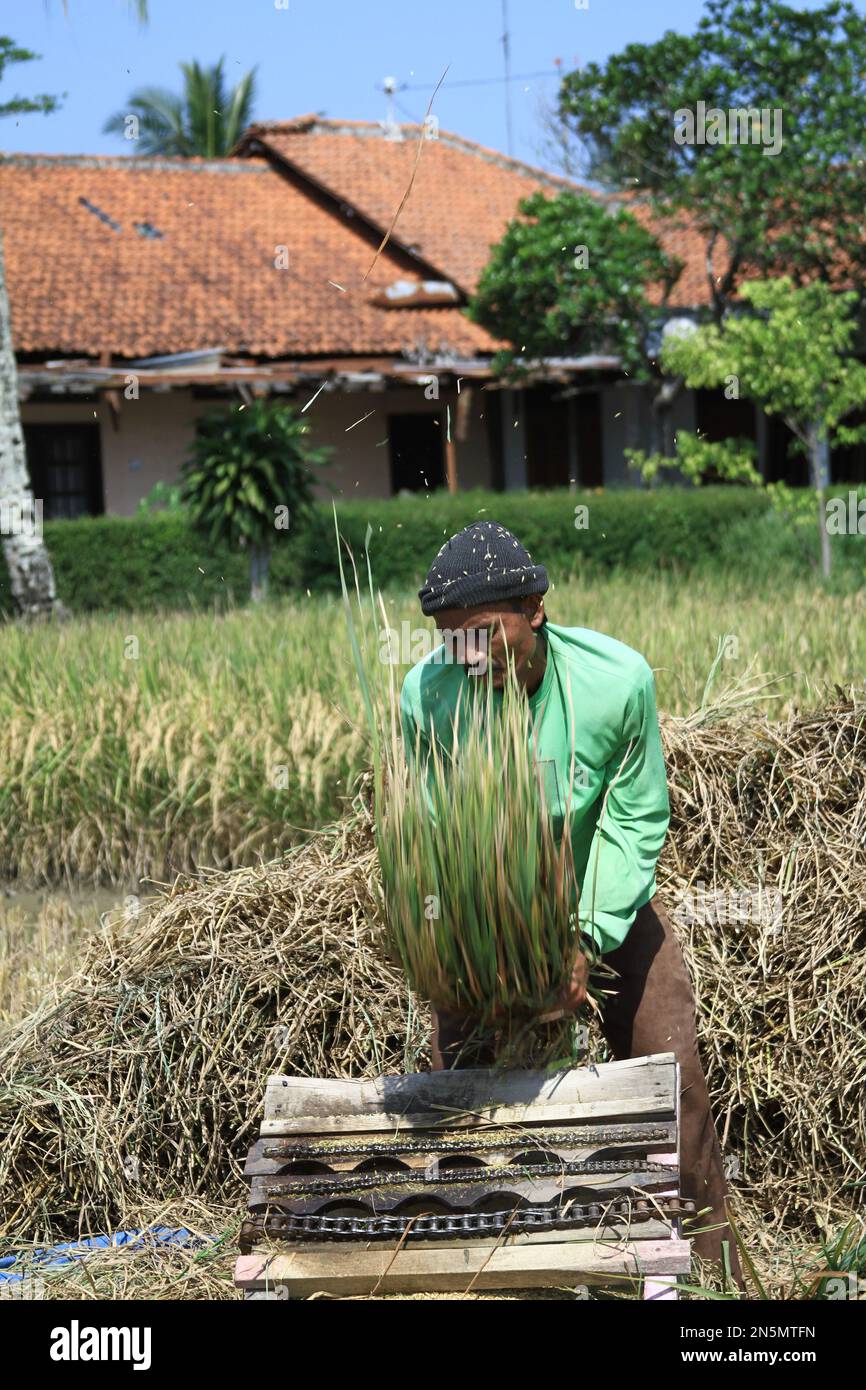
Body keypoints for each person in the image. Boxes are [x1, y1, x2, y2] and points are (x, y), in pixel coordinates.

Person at [398, 520, 744, 1293]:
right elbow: (431, 830)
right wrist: (474, 939)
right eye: (453, 641)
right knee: (458, 1095)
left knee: (672, 1077)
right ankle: (483, 1270)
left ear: (535, 609)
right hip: (485, 920)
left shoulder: (616, 682)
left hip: (603, 906)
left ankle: (711, 1279)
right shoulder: (427, 695)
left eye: (486, 634)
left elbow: (634, 820)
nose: (471, 657)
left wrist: (585, 935)